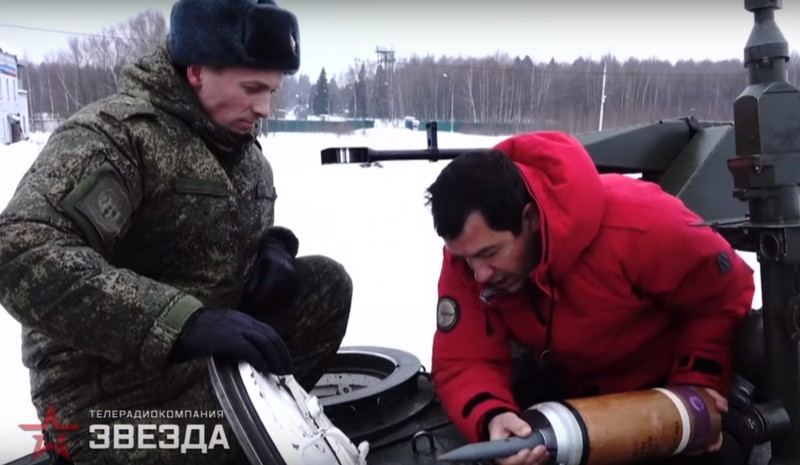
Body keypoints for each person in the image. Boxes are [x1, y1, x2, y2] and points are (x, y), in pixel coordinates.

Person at [0, 0, 352, 464]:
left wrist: (272, 250)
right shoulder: (116, 135)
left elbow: (209, 240)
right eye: (251, 88)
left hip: (207, 368)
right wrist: (181, 322)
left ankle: (260, 427)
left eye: (271, 90)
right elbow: (20, 249)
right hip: (110, 401)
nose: (264, 108)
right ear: (197, 70)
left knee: (325, 286)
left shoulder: (243, 151)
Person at [425, 131, 757, 465]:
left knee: (716, 452)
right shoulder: (470, 256)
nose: (479, 275)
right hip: (574, 383)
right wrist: (493, 416)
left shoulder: (641, 223)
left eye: (489, 254)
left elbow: (723, 292)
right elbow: (464, 359)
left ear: (530, 220)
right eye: (467, 258)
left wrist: (697, 382)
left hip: (666, 380)